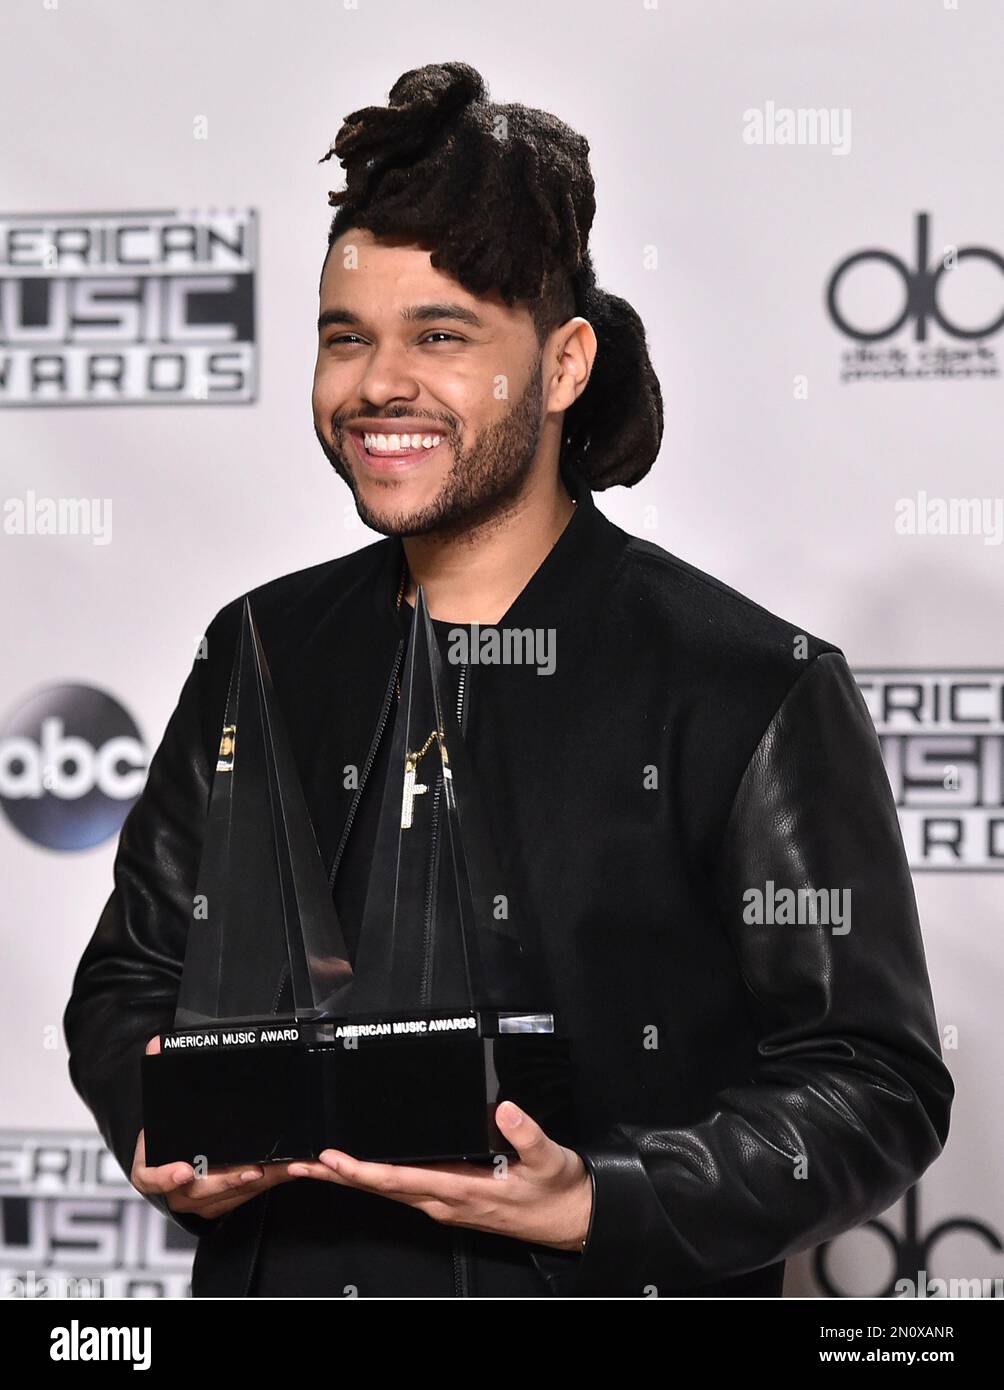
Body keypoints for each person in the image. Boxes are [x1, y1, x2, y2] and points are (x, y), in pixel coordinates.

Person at [63, 61, 953, 1299]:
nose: (379, 386)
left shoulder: (747, 684)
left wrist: (602, 1198)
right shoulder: (257, 645)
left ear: (564, 362)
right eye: (346, 338)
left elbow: (872, 1082)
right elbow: (129, 979)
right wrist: (157, 1117)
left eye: (440, 336)